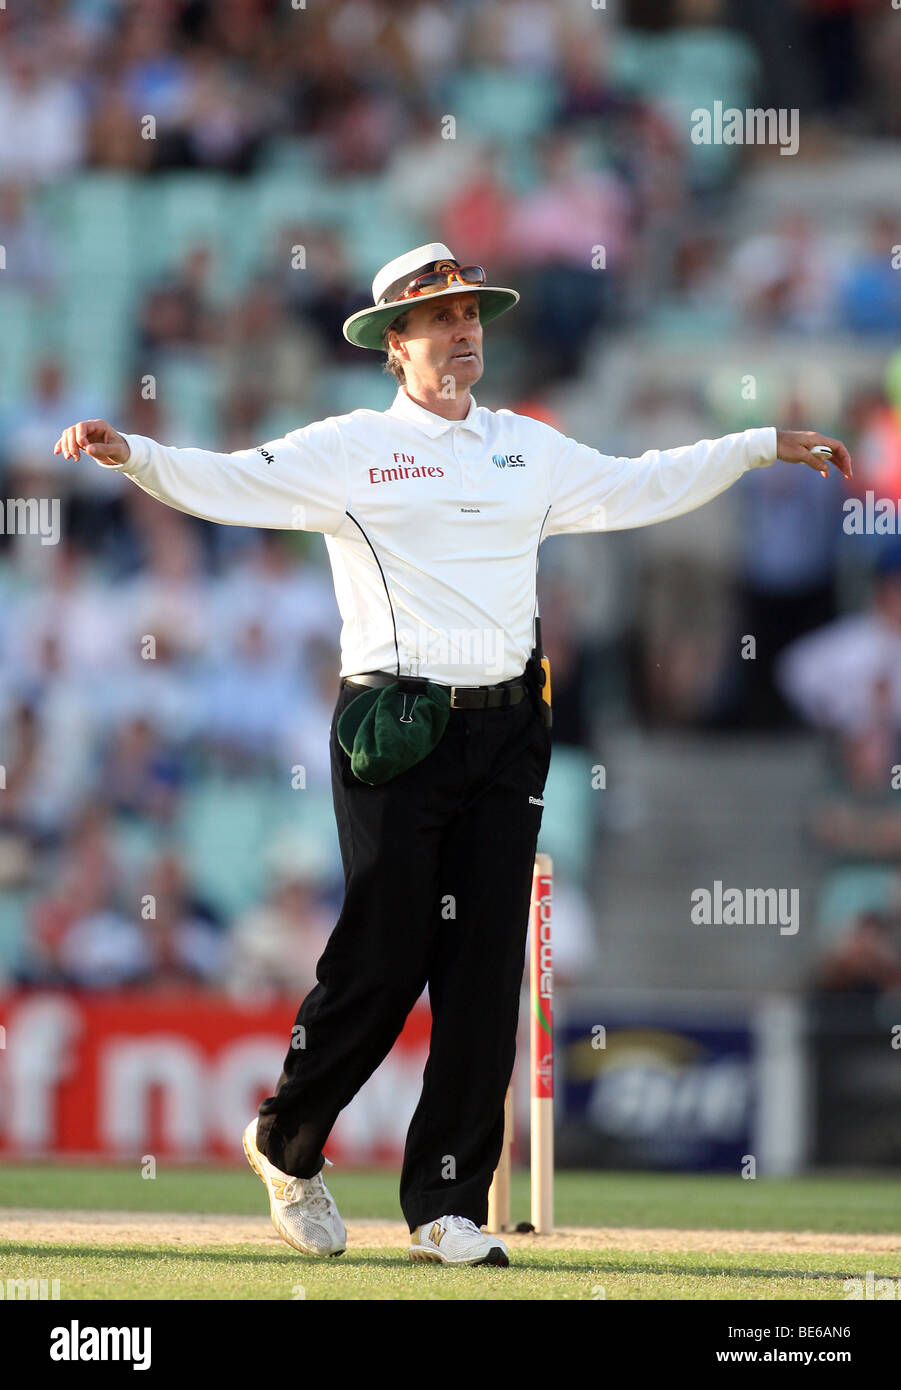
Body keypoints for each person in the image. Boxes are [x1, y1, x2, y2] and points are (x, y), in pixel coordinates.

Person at [55, 241, 852, 1267]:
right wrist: (136, 456)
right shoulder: (348, 448)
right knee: (385, 954)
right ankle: (286, 1136)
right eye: (440, 316)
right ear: (395, 344)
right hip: (396, 726)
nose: (463, 328)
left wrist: (755, 444)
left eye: (471, 312)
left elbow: (636, 484)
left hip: (508, 723)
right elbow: (230, 483)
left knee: (482, 968)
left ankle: (446, 1201)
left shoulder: (524, 445)